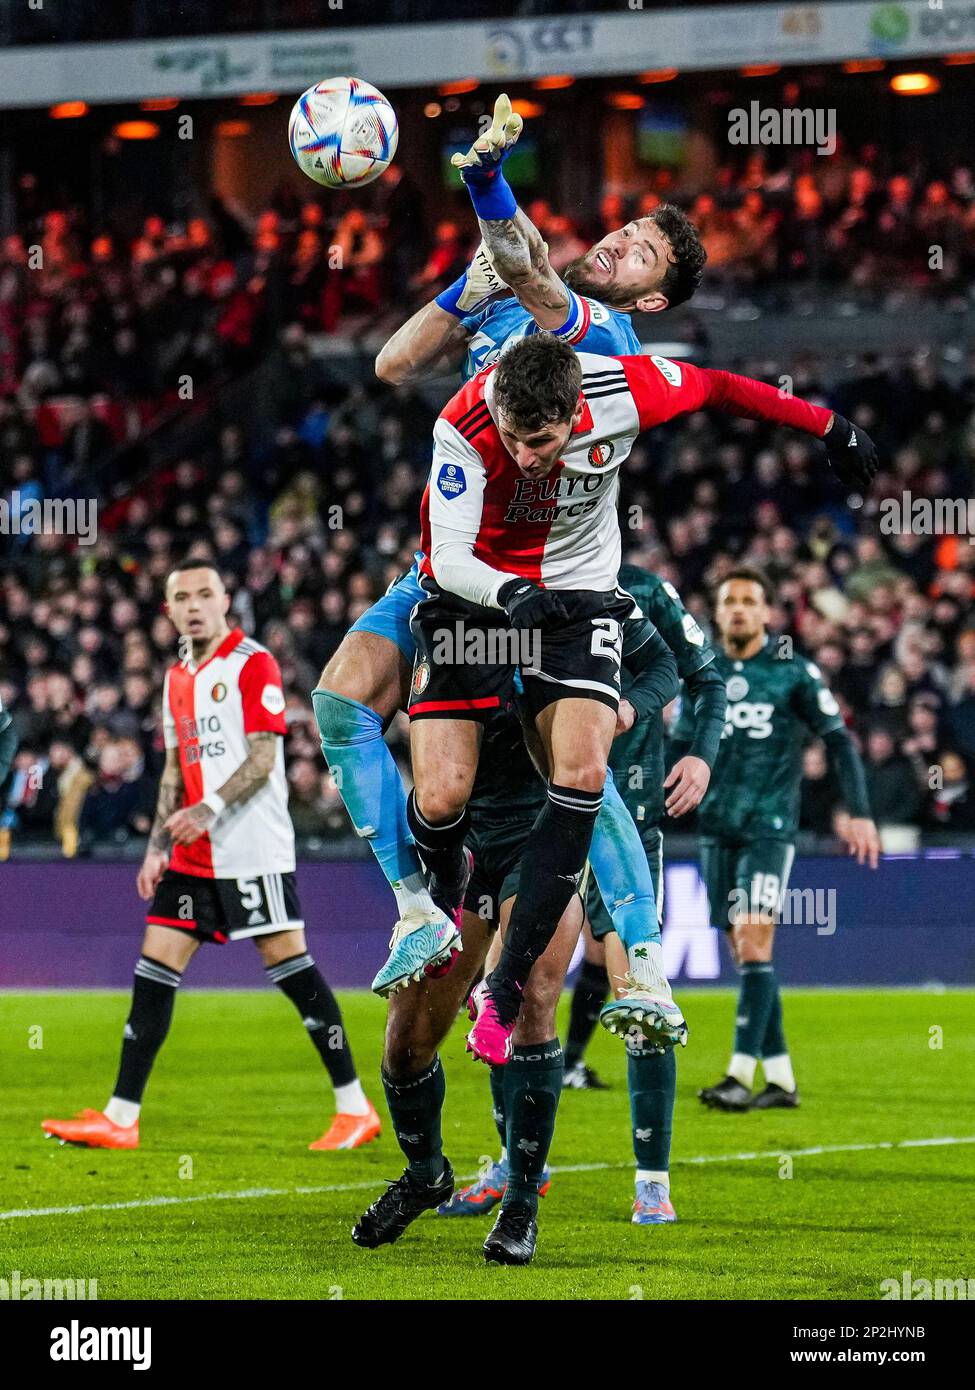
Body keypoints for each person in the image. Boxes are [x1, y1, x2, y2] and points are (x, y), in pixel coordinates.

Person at [312, 93, 709, 1000]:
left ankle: (641, 960)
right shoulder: (517, 301)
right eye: (627, 227)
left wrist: (492, 197)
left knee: (569, 766)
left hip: (542, 588)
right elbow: (392, 363)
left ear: (650, 295)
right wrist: (473, 283)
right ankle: (416, 910)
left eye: (639, 249)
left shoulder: (605, 337)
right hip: (446, 568)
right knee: (341, 704)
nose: (616, 241)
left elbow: (533, 271)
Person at [410, 332, 878, 1066]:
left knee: (583, 776)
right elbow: (448, 557)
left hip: (576, 606)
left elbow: (723, 386)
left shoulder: (624, 391)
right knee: (439, 797)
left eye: (540, 440)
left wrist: (826, 424)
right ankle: (426, 902)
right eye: (514, 437)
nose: (526, 456)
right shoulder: (463, 426)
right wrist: (510, 592)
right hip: (474, 602)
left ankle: (504, 987)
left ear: (574, 410)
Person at [353, 622, 678, 1265]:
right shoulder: (435, 596)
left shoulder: (578, 590)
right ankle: (425, 1173)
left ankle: (521, 1204)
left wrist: (626, 707)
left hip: (545, 827)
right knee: (408, 1036)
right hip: (462, 840)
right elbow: (370, 709)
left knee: (530, 1002)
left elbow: (663, 661)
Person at [41, 563, 378, 1153]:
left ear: (226, 600)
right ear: (169, 611)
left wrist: (209, 809)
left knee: (294, 972)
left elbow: (263, 756)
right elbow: (174, 768)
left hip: (251, 849)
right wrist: (157, 848)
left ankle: (354, 1107)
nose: (194, 605)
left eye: (205, 594)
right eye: (181, 598)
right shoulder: (176, 678)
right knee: (153, 972)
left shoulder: (253, 663)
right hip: (194, 855)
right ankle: (122, 1116)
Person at [444, 563, 726, 1225]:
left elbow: (699, 675)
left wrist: (695, 751)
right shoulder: (498, 589)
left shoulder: (638, 589)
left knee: (640, 1001)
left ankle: (651, 1179)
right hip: (531, 821)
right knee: (509, 989)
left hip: (625, 812)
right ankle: (518, 1164)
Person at [673, 568, 880, 1112]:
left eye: (749, 600)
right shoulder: (701, 673)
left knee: (754, 939)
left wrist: (858, 811)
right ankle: (782, 1080)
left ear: (768, 613)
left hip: (769, 829)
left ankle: (740, 1076)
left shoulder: (793, 672)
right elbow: (677, 750)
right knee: (744, 953)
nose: (739, 609)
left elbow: (839, 739)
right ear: (716, 614)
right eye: (730, 601)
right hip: (715, 830)